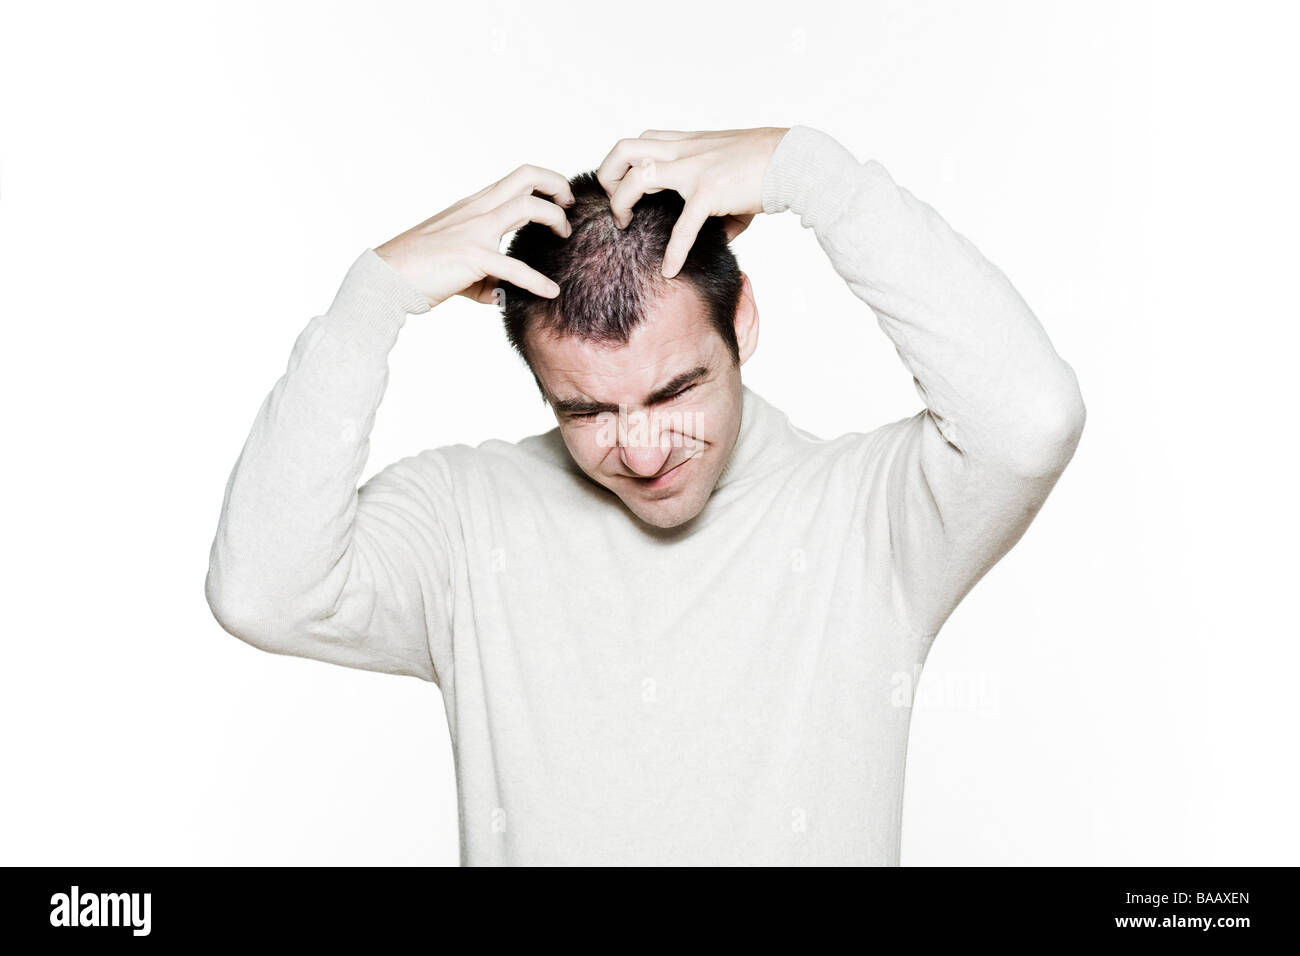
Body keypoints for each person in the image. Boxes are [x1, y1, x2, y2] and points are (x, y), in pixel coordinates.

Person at [204, 125, 1086, 866]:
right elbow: (264, 590)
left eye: (673, 391)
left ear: (739, 320)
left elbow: (1032, 420)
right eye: (587, 408)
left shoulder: (868, 520)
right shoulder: (468, 522)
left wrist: (812, 174)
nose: (641, 446)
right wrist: (372, 299)